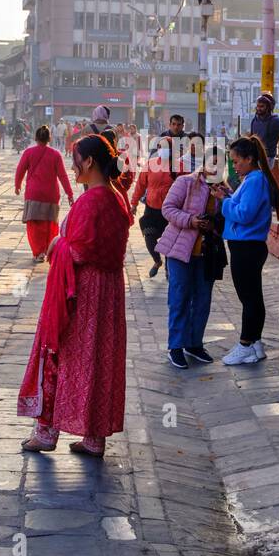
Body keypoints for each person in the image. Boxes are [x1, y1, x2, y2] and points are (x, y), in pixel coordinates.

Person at [18, 134, 132, 458]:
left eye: (76, 158)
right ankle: (94, 438)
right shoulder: (116, 197)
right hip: (108, 292)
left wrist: (56, 245)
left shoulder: (91, 200)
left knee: (59, 354)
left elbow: (80, 250)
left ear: (90, 162)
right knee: (98, 361)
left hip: (81, 292)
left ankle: (45, 432)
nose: (73, 165)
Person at [211, 134, 279, 365]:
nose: (234, 166)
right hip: (246, 246)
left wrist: (224, 203)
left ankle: (245, 344)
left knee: (249, 298)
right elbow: (242, 206)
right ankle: (255, 344)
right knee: (252, 297)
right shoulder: (253, 179)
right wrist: (228, 196)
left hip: (247, 247)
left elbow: (244, 214)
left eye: (236, 161)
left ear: (249, 158)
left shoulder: (255, 180)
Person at [156, 143, 226, 369]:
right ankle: (176, 346)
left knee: (203, 300)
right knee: (180, 297)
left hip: (207, 254)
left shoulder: (225, 191)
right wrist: (191, 221)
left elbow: (228, 220)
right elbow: (168, 208)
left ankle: (194, 344)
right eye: (212, 162)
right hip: (180, 251)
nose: (215, 168)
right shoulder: (185, 182)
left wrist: (217, 216)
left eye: (220, 164)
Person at [15, 125, 74, 262]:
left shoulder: (29, 153)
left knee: (34, 224)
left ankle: (38, 252)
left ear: (35, 138)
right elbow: (63, 176)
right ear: (49, 138)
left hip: (33, 193)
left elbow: (20, 170)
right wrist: (70, 194)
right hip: (51, 194)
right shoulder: (55, 154)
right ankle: (49, 250)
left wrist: (17, 186)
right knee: (50, 223)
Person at [130, 137, 177, 278]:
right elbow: (140, 185)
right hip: (151, 208)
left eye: (167, 148)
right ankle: (157, 261)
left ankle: (170, 269)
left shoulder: (178, 167)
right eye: (161, 147)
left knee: (170, 241)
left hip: (170, 210)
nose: (163, 150)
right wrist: (134, 203)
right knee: (149, 237)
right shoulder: (150, 164)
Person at [248, 93, 279, 166]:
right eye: (257, 106)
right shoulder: (254, 120)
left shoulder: (275, 121)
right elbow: (252, 137)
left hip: (267, 157)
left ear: (268, 107)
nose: (258, 108)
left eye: (262, 106)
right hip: (255, 156)